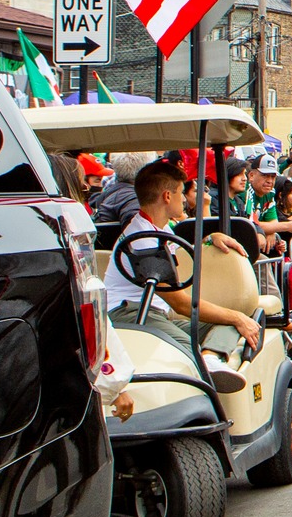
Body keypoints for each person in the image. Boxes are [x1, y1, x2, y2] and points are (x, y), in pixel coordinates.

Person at [104, 158, 260, 392]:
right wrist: (236, 317)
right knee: (188, 355)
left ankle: (210, 358)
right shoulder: (144, 239)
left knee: (229, 322)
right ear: (167, 197)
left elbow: (181, 250)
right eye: (180, 192)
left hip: (153, 313)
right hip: (131, 312)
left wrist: (210, 238)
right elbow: (180, 303)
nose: (185, 200)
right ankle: (204, 368)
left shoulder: (161, 229)